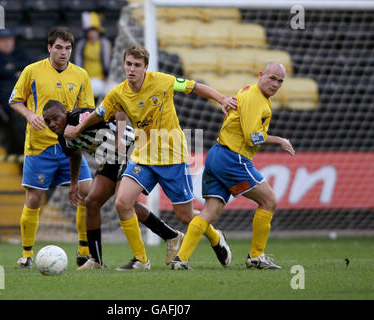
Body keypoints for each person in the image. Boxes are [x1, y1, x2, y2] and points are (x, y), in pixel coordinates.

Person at [64, 45, 237, 270]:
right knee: (122, 201)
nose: (132, 69)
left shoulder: (162, 81)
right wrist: (78, 130)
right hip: (142, 154)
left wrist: (222, 98)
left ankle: (215, 237)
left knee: (185, 215)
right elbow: (99, 112)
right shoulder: (118, 92)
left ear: (146, 67)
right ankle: (141, 260)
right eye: (129, 64)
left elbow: (194, 87)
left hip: (172, 155)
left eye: (137, 65)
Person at [171, 62, 296, 270]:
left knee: (209, 212)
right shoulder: (256, 99)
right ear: (261, 75)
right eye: (272, 78)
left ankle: (180, 259)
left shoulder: (248, 91)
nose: (275, 84)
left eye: (280, 81)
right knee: (269, 200)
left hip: (217, 154)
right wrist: (279, 140)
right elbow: (251, 138)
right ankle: (256, 256)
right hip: (233, 158)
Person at [43, 100, 184, 269]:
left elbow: (119, 111)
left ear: (65, 113)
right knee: (92, 202)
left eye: (55, 118)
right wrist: (74, 183)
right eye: (47, 121)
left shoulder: (80, 117)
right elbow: (74, 155)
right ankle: (96, 261)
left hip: (129, 147)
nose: (52, 124)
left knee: (122, 201)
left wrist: (118, 141)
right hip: (110, 158)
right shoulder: (62, 136)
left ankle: (144, 258)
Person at [9, 26, 95, 268]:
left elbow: (87, 112)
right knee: (34, 198)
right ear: (49, 48)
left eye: (67, 48)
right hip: (39, 146)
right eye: (58, 47)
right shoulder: (32, 71)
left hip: (70, 146)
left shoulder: (81, 75)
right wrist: (29, 114)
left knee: (86, 192)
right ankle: (26, 254)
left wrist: (78, 129)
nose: (63, 52)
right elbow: (15, 99)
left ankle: (83, 251)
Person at [0, 28, 31, 154]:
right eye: (3, 40)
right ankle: (21, 153)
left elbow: (29, 66)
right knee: (18, 117)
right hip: (1, 97)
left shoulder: (19, 52)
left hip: (23, 96)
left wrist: (11, 68)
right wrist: (16, 71)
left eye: (9, 40)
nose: (6, 43)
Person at [74, 12, 112, 101]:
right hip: (87, 79)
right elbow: (78, 63)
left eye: (94, 31)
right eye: (90, 31)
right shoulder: (82, 44)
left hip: (101, 79)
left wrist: (106, 77)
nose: (92, 33)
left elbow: (108, 62)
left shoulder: (104, 43)